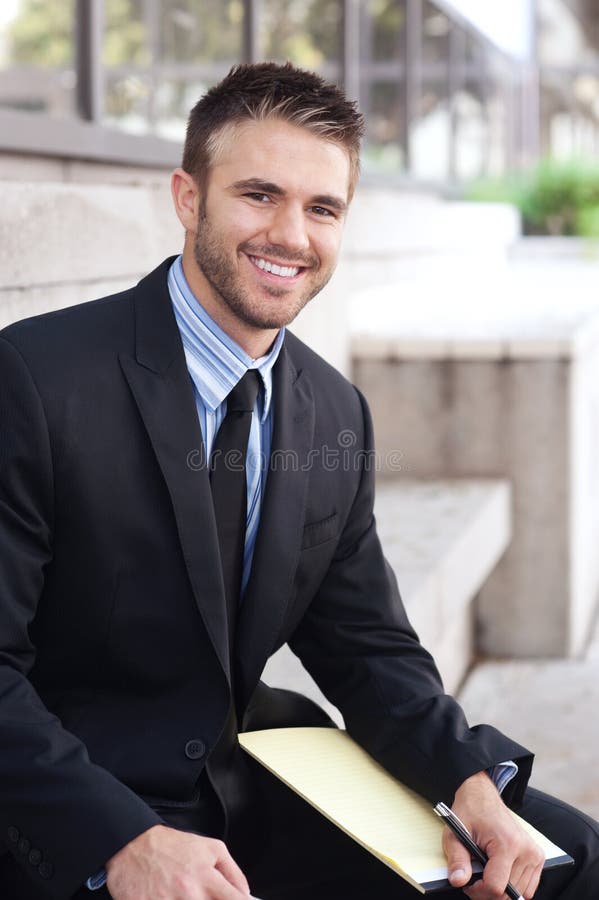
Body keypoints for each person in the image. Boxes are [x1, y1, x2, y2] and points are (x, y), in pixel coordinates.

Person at [0, 62, 597, 900]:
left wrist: (467, 778)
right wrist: (120, 840)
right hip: (73, 808)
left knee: (560, 861)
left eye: (322, 208)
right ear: (186, 197)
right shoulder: (35, 378)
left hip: (248, 783)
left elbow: (366, 648)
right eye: (258, 194)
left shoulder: (335, 412)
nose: (291, 235)